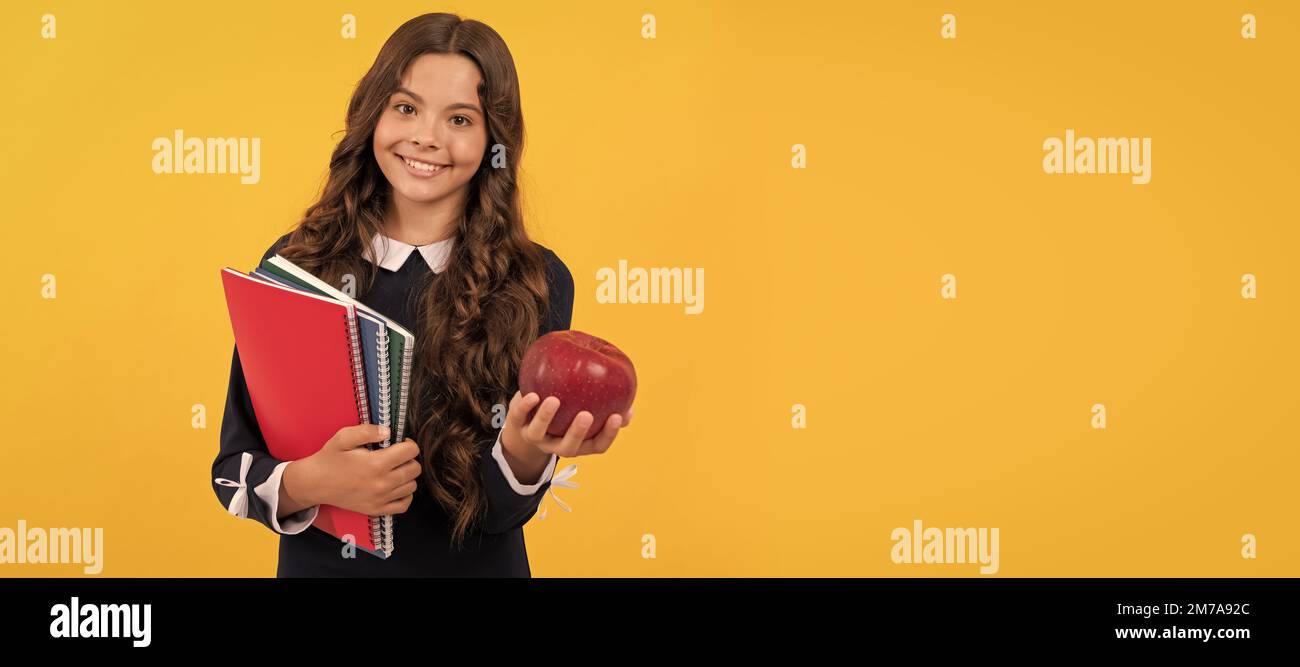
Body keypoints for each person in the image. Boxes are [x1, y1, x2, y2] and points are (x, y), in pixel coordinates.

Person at [211, 12, 632, 576]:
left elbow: (497, 513)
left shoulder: (536, 281)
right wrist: (313, 481)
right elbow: (232, 471)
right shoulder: (296, 264)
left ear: (493, 141)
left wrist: (527, 452)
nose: (427, 137)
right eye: (406, 108)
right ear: (373, 115)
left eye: (460, 118)